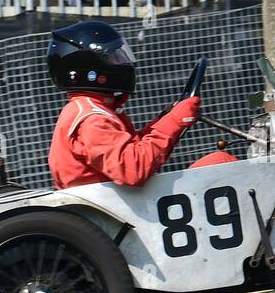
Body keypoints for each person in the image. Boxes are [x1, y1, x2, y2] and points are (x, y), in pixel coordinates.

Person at [47, 21, 201, 189]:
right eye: (114, 56)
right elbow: (133, 170)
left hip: (116, 201)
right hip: (108, 208)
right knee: (220, 161)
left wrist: (166, 120)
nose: (123, 62)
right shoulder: (93, 119)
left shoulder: (88, 107)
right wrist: (175, 122)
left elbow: (132, 150)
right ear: (91, 66)